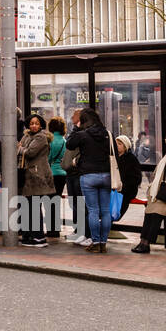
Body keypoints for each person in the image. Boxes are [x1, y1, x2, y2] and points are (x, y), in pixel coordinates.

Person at [66, 107, 116, 254]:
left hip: (88, 176)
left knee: (93, 210)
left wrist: (76, 128)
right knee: (105, 211)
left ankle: (95, 241)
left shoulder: (82, 134)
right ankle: (103, 242)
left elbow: (69, 144)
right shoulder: (108, 135)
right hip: (106, 175)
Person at [17, 113, 54, 246]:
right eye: (32, 123)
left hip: (37, 176)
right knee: (27, 206)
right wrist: (22, 148)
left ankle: (39, 237)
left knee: (34, 206)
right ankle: (28, 235)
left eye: (37, 123)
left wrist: (20, 148)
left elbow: (30, 152)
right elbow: (24, 149)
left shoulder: (41, 137)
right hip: (28, 176)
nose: (34, 126)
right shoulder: (27, 136)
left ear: (41, 125)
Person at [63, 109, 87, 244]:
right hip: (70, 173)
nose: (72, 116)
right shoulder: (75, 131)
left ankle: (81, 231)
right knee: (74, 203)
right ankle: (77, 230)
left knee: (79, 204)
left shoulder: (82, 132)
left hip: (77, 172)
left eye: (75, 115)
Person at [46, 117, 68, 238]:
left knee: (50, 202)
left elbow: (48, 158)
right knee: (56, 201)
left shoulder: (51, 140)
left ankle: (52, 230)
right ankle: (55, 229)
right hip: (62, 174)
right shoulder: (64, 141)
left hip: (52, 174)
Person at [114, 134, 142, 221]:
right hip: (114, 188)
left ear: (125, 146)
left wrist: (122, 186)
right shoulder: (113, 158)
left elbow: (137, 179)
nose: (116, 146)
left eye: (119, 144)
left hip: (126, 190)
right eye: (115, 144)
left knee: (114, 213)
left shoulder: (131, 158)